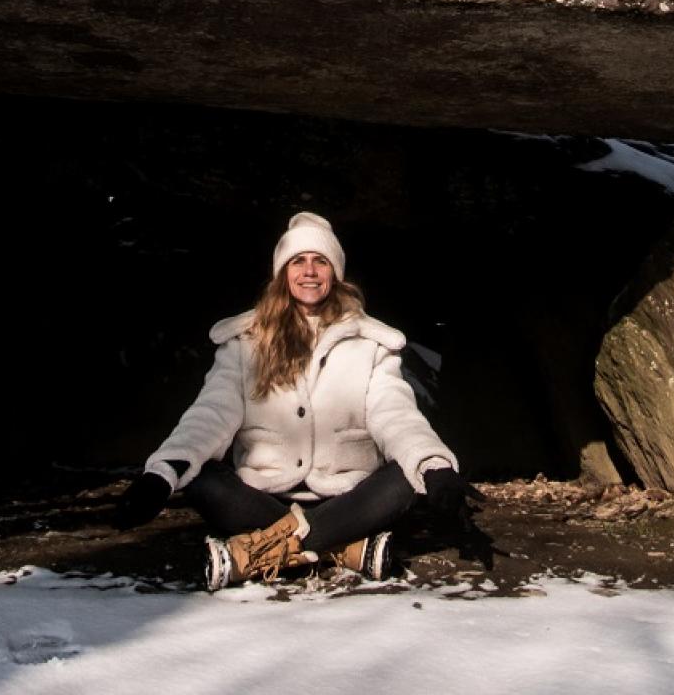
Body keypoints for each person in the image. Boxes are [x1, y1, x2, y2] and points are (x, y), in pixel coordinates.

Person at [112, 211, 479, 589]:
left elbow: (395, 414)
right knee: (198, 474)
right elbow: (212, 413)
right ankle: (342, 547)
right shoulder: (245, 341)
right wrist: (161, 475)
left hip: (347, 498)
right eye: (298, 261)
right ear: (283, 273)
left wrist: (432, 465)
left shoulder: (371, 344)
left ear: (334, 273)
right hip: (259, 498)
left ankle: (257, 552)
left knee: (406, 474)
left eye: (320, 261)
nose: (309, 271)